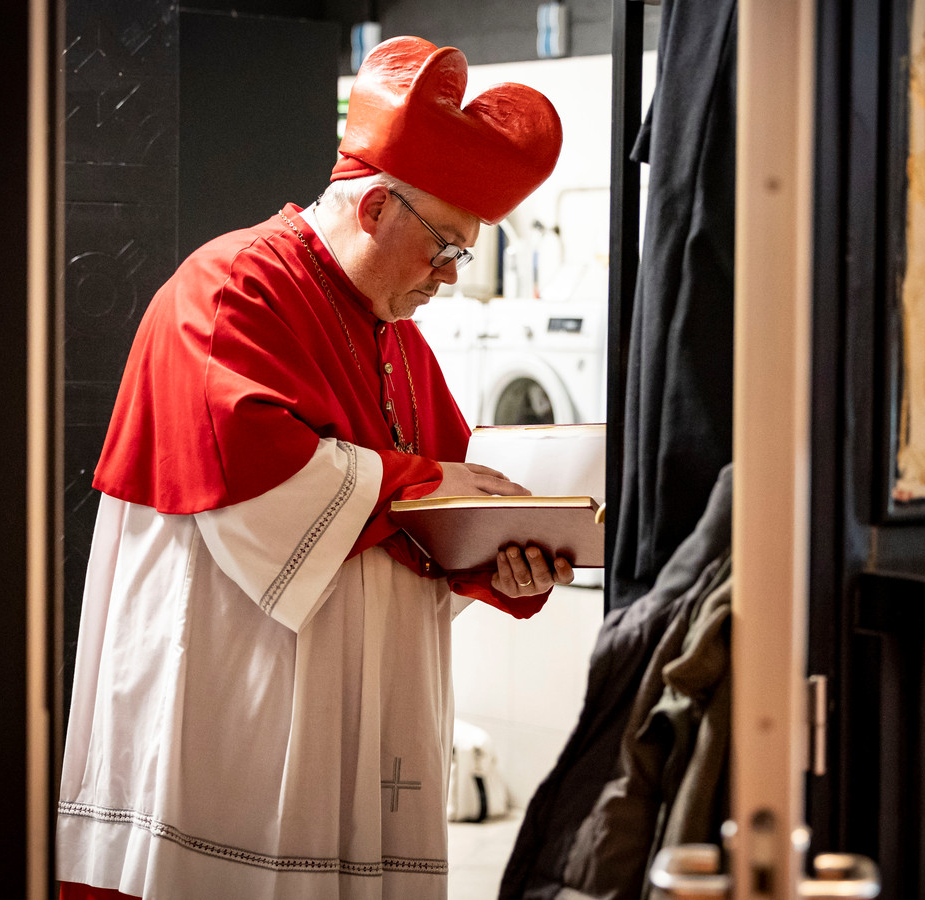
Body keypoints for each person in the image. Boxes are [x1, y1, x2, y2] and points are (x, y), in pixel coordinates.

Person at [56, 36, 567, 900]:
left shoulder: (398, 338)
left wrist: (505, 558)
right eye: (445, 246)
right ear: (374, 210)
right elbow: (259, 486)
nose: (449, 276)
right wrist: (430, 488)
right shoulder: (228, 288)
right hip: (237, 698)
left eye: (463, 255)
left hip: (362, 712)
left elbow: (435, 510)